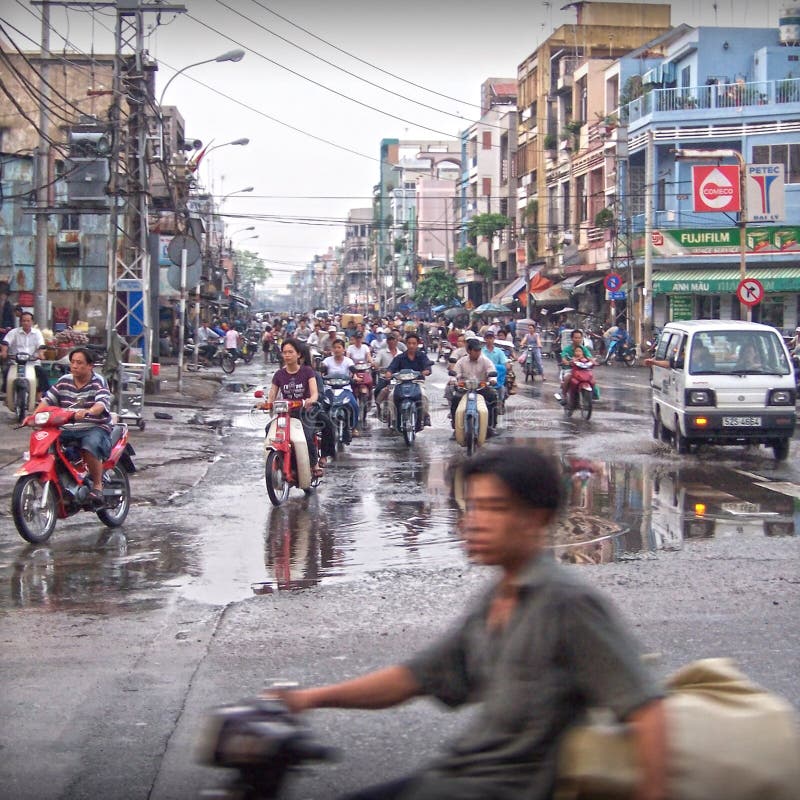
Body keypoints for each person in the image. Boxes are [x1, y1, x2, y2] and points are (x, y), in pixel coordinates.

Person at [268, 446, 667, 800]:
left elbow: (646, 708)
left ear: (536, 519)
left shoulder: (568, 603)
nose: (473, 522)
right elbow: (416, 676)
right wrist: (309, 699)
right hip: (450, 779)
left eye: (494, 508)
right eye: (472, 507)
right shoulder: (496, 599)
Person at [36, 347, 112, 505]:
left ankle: (97, 485)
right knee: (44, 443)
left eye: (79, 363)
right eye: (72, 362)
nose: (75, 366)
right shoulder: (64, 380)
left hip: (93, 426)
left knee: (89, 446)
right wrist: (33, 416)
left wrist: (90, 411)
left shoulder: (98, 381)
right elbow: (47, 400)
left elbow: (101, 403)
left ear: (90, 365)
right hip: (67, 427)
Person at [267, 338, 323, 477]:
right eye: (284, 352)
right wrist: (267, 404)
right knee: (269, 429)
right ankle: (279, 460)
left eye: (290, 352)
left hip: (304, 412)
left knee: (307, 435)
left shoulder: (307, 372)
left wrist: (310, 400)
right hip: (285, 413)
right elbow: (272, 394)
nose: (287, 355)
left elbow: (314, 393)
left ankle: (313, 464)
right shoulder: (279, 374)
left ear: (298, 354)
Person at [450, 338, 498, 437]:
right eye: (475, 351)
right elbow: (455, 374)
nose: (478, 353)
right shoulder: (461, 361)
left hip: (482, 389)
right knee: (455, 400)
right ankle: (456, 427)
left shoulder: (485, 361)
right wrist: (454, 381)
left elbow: (491, 371)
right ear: (469, 351)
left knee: (493, 397)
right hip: (465, 389)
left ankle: (490, 426)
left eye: (479, 350)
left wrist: (492, 379)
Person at [384, 333, 433, 427]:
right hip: (400, 382)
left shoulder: (422, 356)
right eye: (409, 343)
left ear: (417, 344)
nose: (411, 345)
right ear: (406, 344)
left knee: (423, 396)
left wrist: (426, 371)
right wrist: (389, 373)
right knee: (391, 396)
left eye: (414, 343)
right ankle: (393, 419)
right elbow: (391, 368)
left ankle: (425, 416)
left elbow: (427, 367)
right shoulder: (399, 357)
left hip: (417, 382)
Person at [1, 310, 49, 400]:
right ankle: (7, 395)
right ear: (20, 322)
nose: (26, 323)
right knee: (6, 372)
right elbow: (5, 342)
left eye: (28, 321)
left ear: (32, 322)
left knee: (42, 373)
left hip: (32, 363)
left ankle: (38, 396)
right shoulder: (13, 332)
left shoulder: (37, 333)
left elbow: (41, 345)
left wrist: (41, 354)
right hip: (16, 363)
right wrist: (4, 352)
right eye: (24, 321)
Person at [321, 338, 360, 437]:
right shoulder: (327, 361)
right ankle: (321, 428)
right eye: (335, 347)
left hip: (345, 389)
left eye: (339, 347)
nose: (337, 349)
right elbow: (323, 370)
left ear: (343, 349)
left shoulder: (348, 361)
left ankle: (354, 427)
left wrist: (355, 377)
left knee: (354, 405)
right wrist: (321, 375)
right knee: (322, 406)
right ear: (332, 349)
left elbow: (353, 371)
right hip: (329, 389)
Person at [555, 329, 595, 404]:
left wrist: (593, 361)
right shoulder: (567, 349)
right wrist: (566, 362)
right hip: (569, 369)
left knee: (591, 378)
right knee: (567, 377)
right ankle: (564, 396)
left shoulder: (584, 349)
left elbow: (589, 357)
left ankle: (592, 395)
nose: (578, 340)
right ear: (572, 338)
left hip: (582, 369)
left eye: (579, 338)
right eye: (576, 338)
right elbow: (563, 358)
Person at [481, 330, 508, 401]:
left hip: (497, 377)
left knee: (501, 389)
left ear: (494, 339)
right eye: (487, 338)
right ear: (485, 339)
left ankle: (499, 404)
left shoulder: (499, 351)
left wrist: (506, 367)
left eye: (491, 338)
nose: (489, 340)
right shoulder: (481, 351)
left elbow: (505, 364)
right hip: (484, 377)